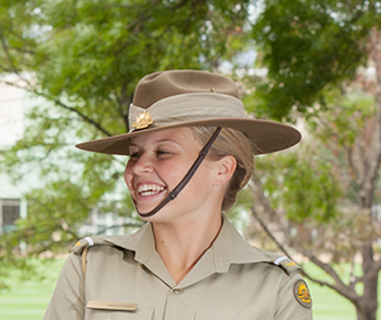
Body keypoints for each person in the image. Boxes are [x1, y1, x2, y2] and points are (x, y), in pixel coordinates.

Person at [43, 70, 311, 320]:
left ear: (223, 169)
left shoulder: (276, 287)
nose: (138, 167)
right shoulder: (91, 267)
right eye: (135, 153)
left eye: (163, 152)